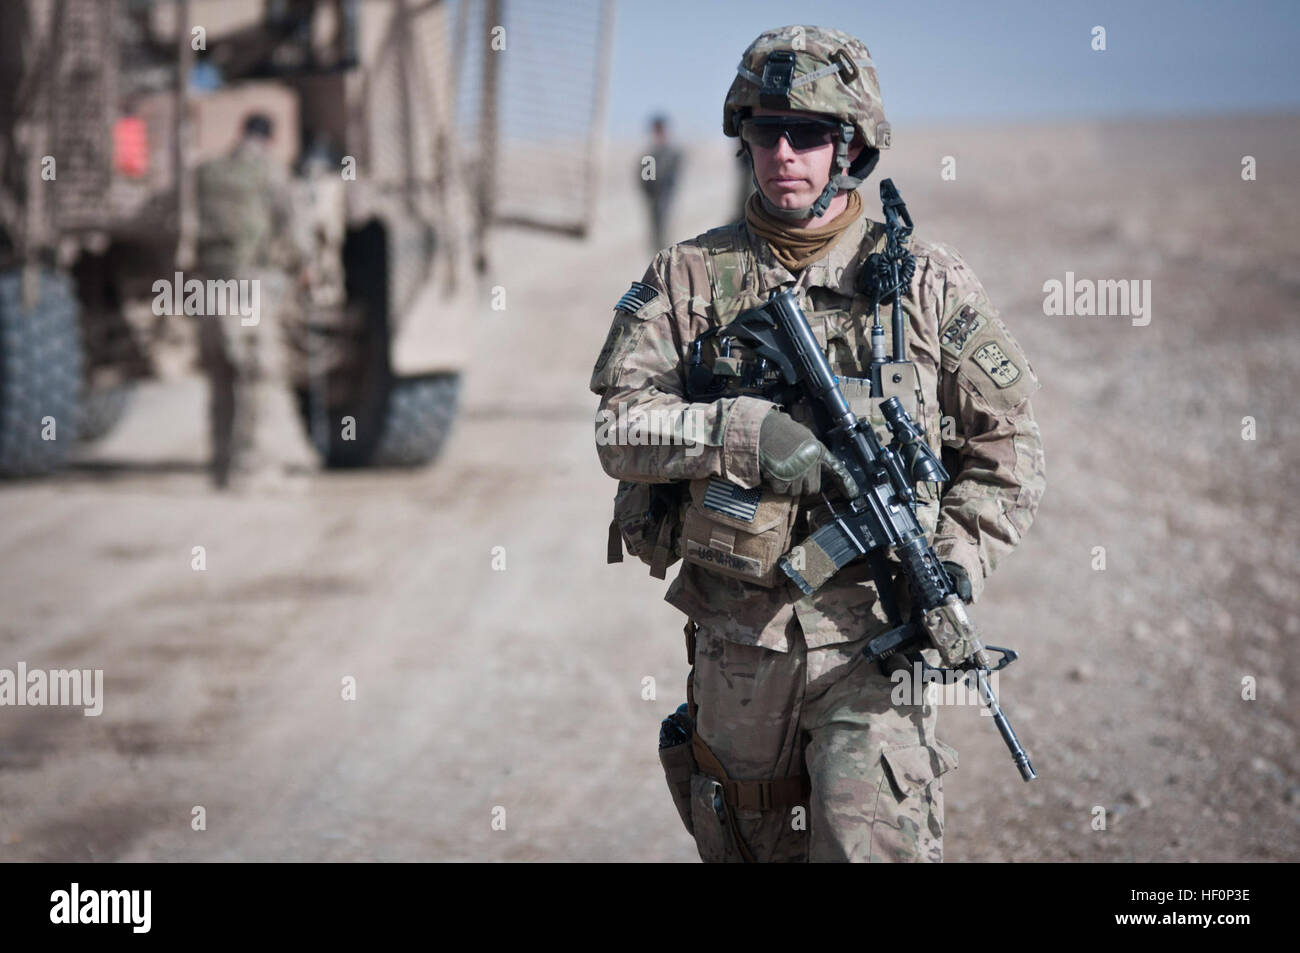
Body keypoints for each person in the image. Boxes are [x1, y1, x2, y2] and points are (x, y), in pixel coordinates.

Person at [590, 25, 1046, 862]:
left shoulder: (924, 285)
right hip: (740, 643)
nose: (784, 153)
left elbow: (1008, 447)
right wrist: (742, 431)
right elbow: (619, 426)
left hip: (879, 636)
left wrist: (954, 559)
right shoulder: (688, 279)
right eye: (767, 132)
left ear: (852, 148)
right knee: (751, 838)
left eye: (810, 134)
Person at [195, 112, 308, 490]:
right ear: (270, 140)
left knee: (221, 378)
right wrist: (304, 265)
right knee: (257, 376)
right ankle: (252, 470)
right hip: (246, 284)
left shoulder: (207, 171)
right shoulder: (269, 172)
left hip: (208, 286)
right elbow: (292, 224)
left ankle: (221, 467)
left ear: (240, 133)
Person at [638, 114, 684, 254]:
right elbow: (645, 179)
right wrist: (650, 194)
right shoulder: (650, 155)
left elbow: (674, 177)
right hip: (654, 200)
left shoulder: (672, 153)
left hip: (666, 198)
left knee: (665, 233)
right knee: (655, 234)